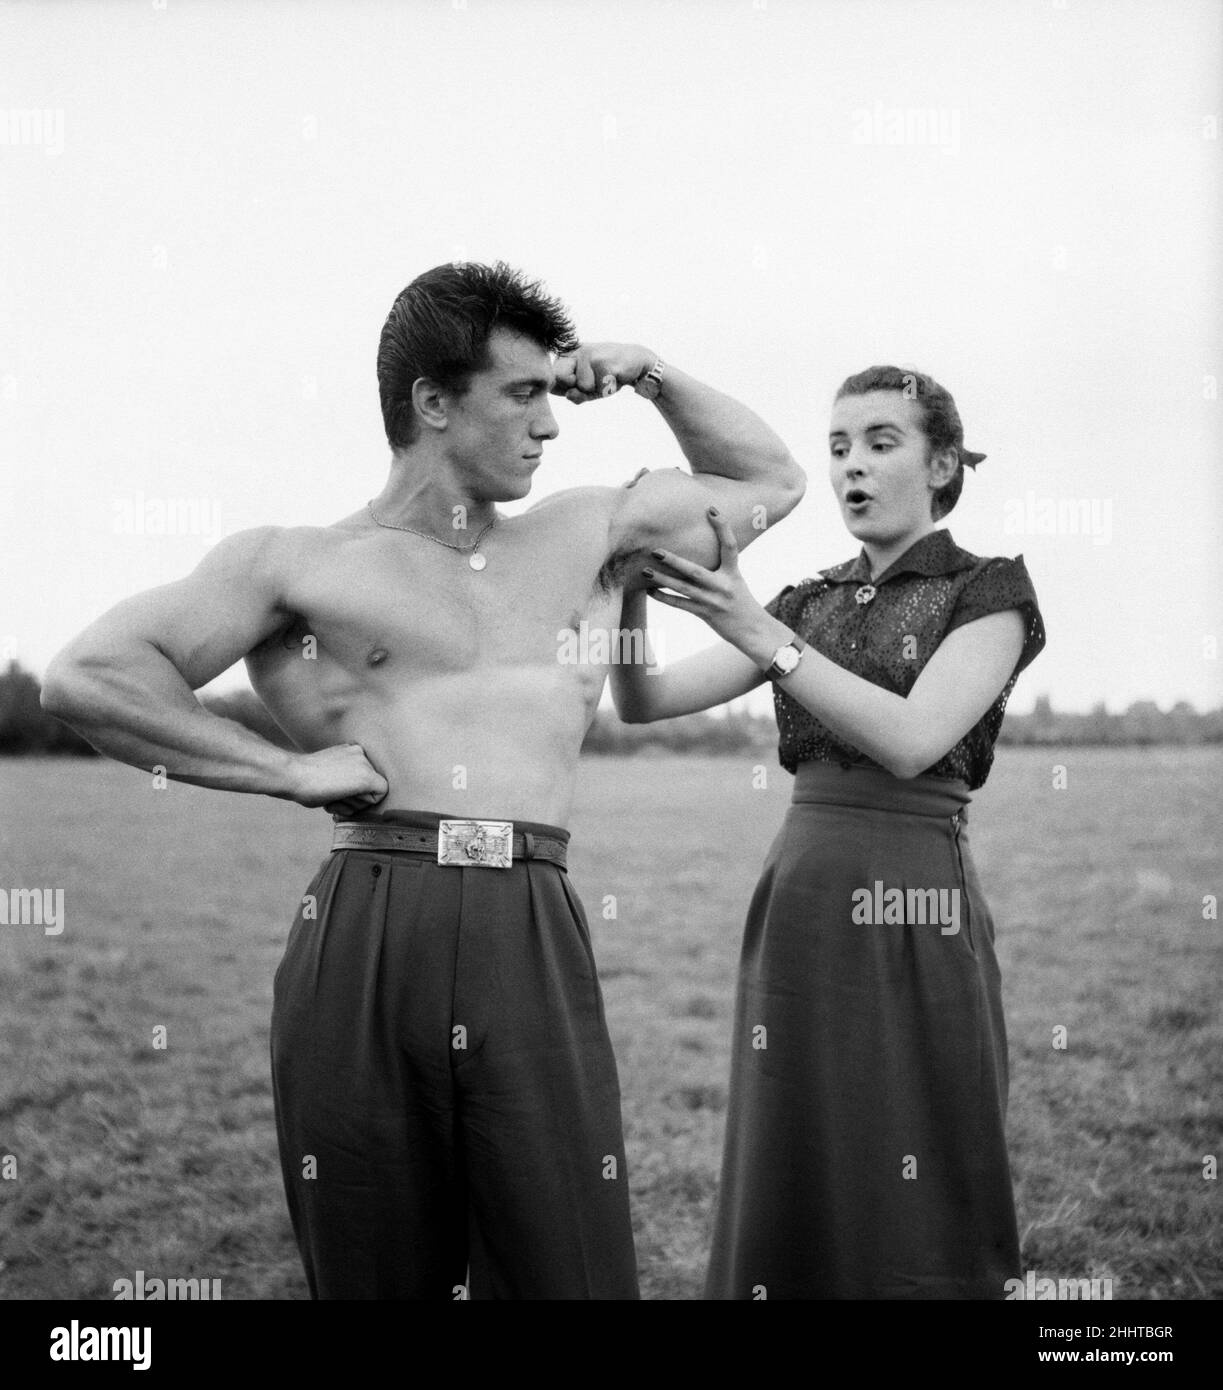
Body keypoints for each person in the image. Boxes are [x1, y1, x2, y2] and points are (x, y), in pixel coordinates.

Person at [40, 261, 805, 1300]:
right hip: (369, 923)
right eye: (521, 393)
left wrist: (652, 375)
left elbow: (769, 485)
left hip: (528, 921)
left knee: (570, 1268)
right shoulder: (297, 562)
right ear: (433, 403)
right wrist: (282, 768)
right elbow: (90, 675)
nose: (549, 424)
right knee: (376, 1272)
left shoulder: (593, 528)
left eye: (553, 391)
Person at [611, 365, 1046, 1299]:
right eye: (839, 447)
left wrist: (759, 633)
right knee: (796, 1132)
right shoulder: (806, 599)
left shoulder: (989, 591)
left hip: (913, 898)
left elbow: (913, 739)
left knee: (918, 1131)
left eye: (880, 443)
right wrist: (632, 582)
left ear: (939, 467)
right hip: (800, 896)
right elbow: (643, 701)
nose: (851, 467)